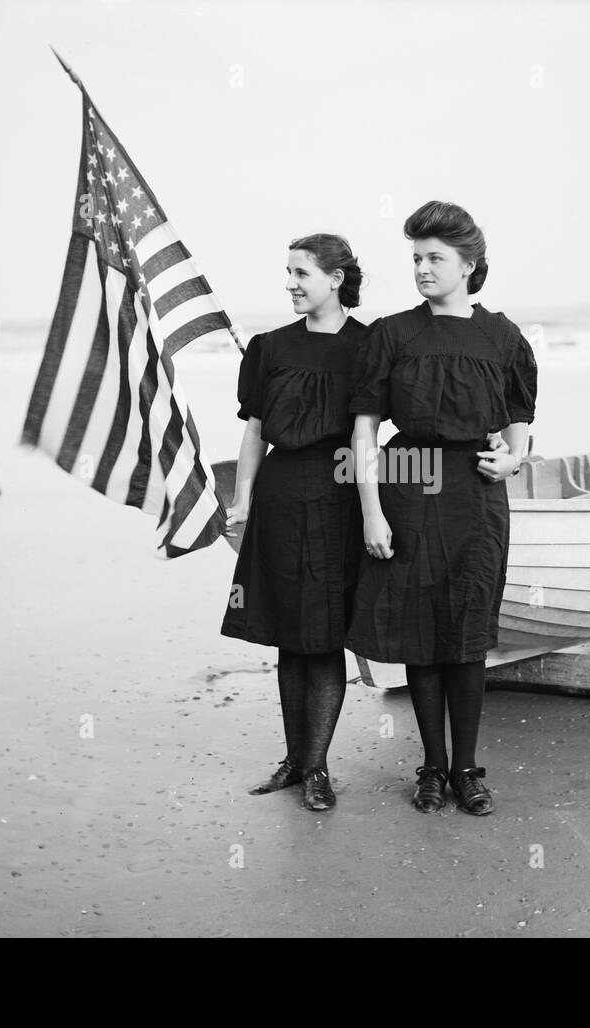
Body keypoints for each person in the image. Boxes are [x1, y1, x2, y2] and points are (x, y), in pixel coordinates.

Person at [345, 201, 537, 816]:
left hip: (477, 495)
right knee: (421, 635)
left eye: (435, 259)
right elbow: (364, 433)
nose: (423, 269)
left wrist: (515, 459)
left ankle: (467, 770)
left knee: (468, 634)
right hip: (408, 481)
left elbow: (519, 421)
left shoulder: (501, 336)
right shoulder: (393, 334)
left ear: (468, 264)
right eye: (417, 259)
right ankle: (430, 768)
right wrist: (372, 512)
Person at [220, 234, 368, 812]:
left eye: (301, 272)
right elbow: (255, 430)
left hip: (339, 495)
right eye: (287, 272)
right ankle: (293, 759)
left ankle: (318, 768)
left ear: (336, 278)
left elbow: (375, 435)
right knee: (287, 632)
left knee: (324, 635)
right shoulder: (269, 347)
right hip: (281, 496)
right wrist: (243, 498)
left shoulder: (368, 347)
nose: (290, 283)